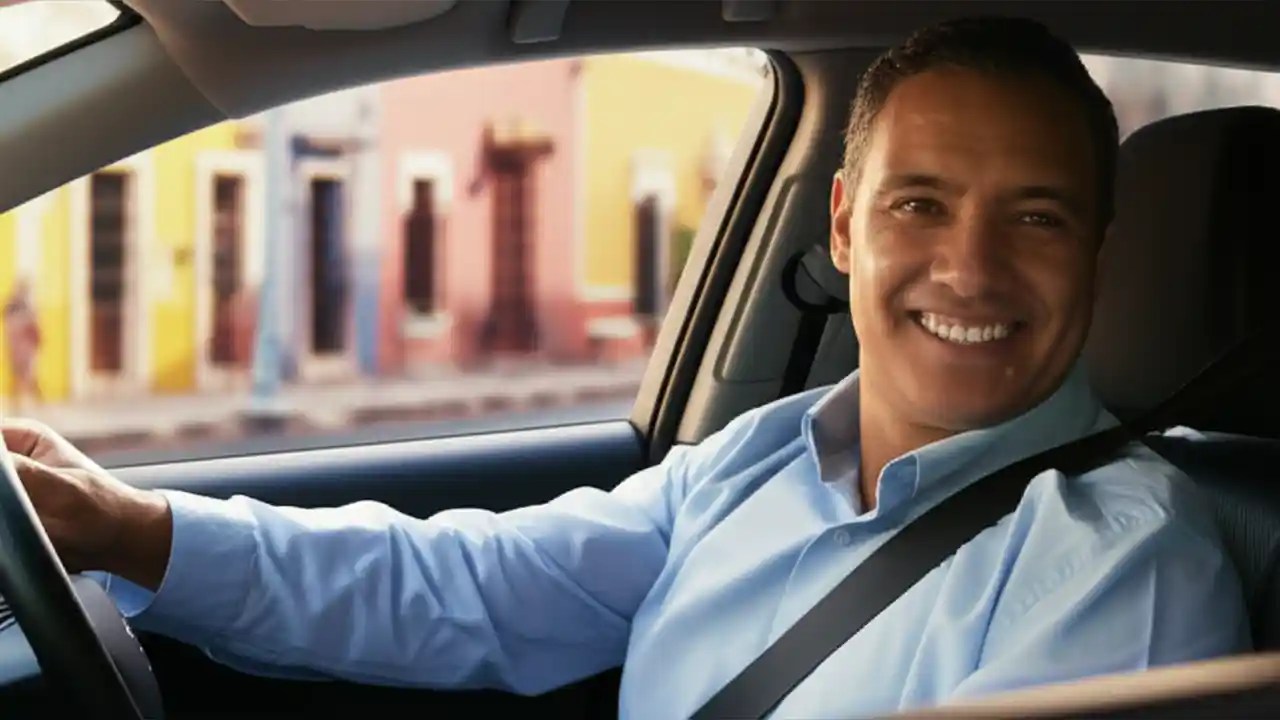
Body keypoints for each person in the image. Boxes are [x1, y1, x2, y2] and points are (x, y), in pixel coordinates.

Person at [3, 16, 1250, 719]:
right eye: (917, 205)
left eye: (1032, 218)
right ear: (840, 229)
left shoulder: (1128, 567)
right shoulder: (765, 455)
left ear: (1094, 251)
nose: (968, 269)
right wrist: (129, 526)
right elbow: (479, 587)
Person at [3, 277, 42, 412]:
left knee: (28, 376)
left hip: (25, 348)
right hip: (18, 347)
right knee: (21, 376)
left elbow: (35, 328)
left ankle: (36, 403)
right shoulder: (13, 307)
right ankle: (17, 405)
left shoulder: (27, 307)